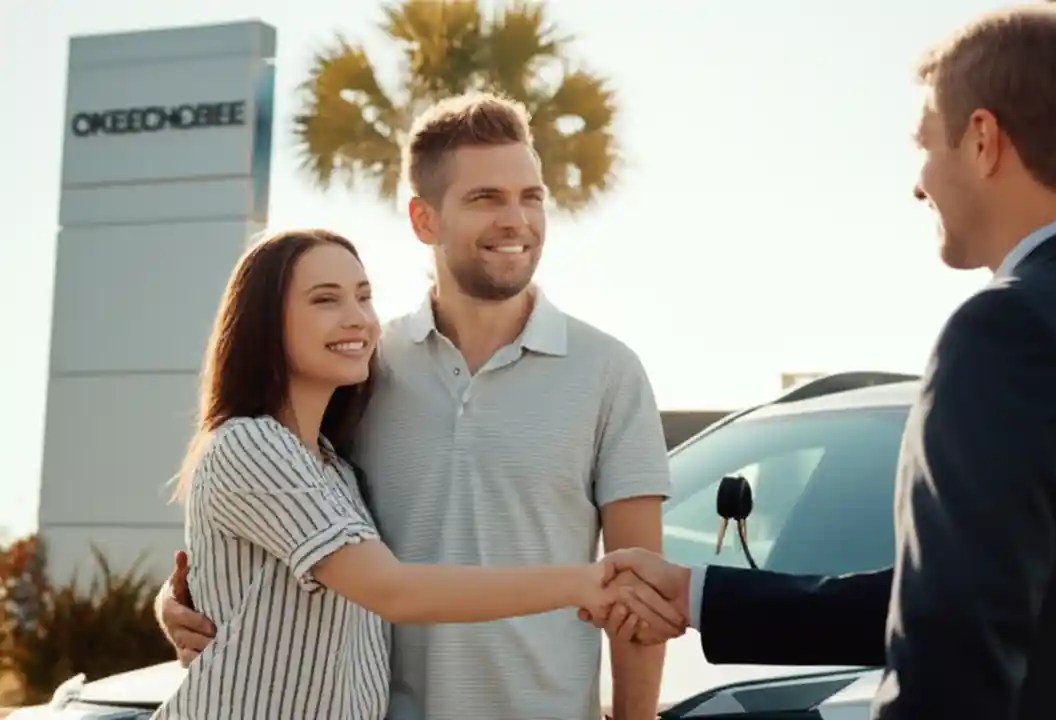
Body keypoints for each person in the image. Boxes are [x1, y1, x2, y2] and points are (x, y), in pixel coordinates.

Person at [593, 6, 1056, 720]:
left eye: (925, 145)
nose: (918, 183)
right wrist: (699, 594)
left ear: (983, 140)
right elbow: (978, 597)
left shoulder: (1007, 328)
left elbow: (950, 659)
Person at [157, 95, 674, 720]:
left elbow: (640, 594)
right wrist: (186, 598)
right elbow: (279, 517)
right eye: (486, 198)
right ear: (424, 219)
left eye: (531, 196)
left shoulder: (609, 372)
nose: (517, 220)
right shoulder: (365, 369)